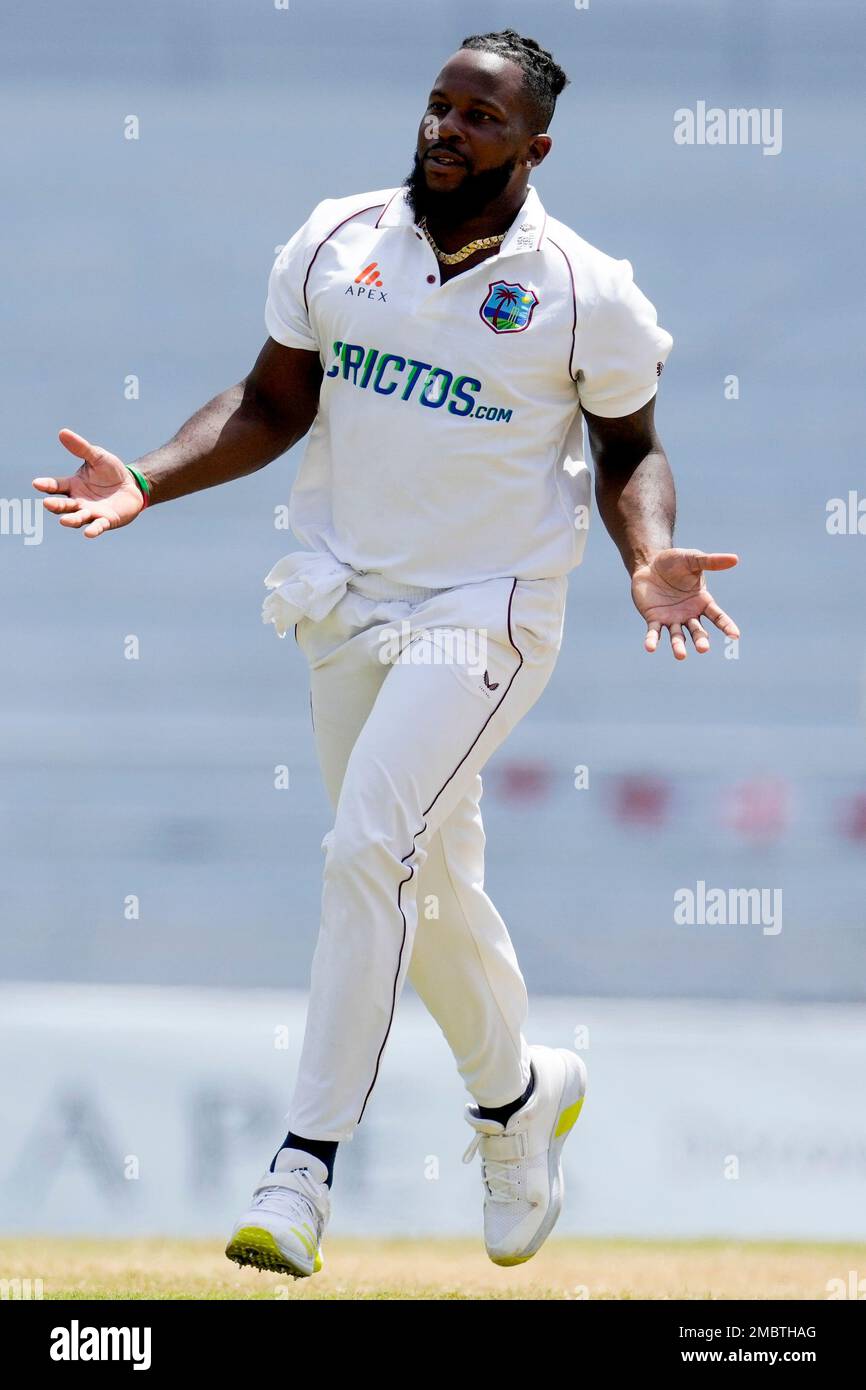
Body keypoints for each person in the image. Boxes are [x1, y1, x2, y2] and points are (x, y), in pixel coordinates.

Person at [33, 29, 739, 1277]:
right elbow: (269, 405)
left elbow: (630, 449)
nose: (444, 130)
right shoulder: (336, 236)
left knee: (367, 838)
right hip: (344, 598)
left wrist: (647, 556)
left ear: (534, 145)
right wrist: (147, 476)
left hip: (490, 608)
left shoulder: (586, 289)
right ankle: (521, 1101)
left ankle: (302, 1167)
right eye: (435, 105)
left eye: (477, 117)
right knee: (422, 877)